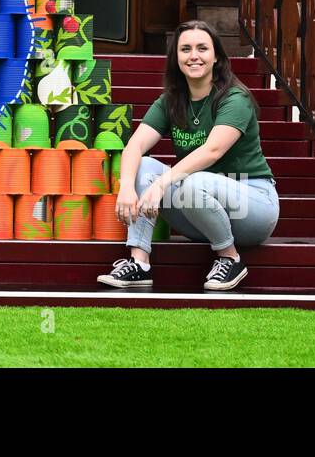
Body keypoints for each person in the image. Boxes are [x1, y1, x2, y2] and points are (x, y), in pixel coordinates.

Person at [98, 20, 279, 292]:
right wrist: (126, 187)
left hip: (252, 206)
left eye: (202, 48)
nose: (193, 55)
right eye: (185, 49)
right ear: (176, 58)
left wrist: (161, 185)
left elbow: (212, 150)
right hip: (200, 211)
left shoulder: (234, 98)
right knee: (144, 166)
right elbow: (134, 146)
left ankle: (230, 259)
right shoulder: (172, 100)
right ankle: (139, 263)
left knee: (192, 183)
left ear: (216, 56)